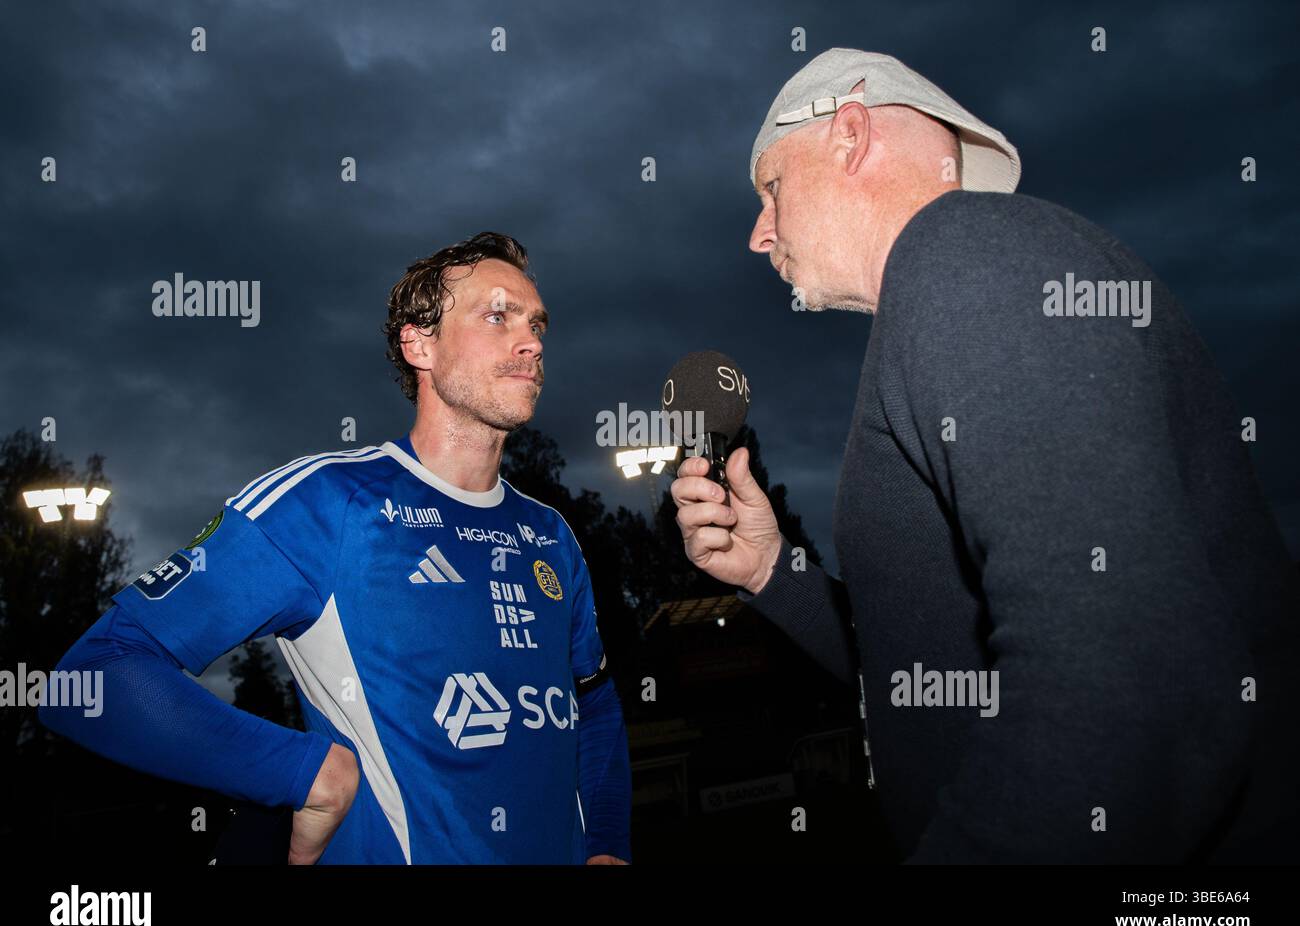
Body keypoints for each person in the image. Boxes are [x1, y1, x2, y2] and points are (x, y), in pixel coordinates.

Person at [672, 48, 1298, 862]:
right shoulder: (946, 292)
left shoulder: (964, 258)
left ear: (849, 135)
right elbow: (926, 663)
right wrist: (770, 572)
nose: (760, 234)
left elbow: (1141, 688)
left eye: (771, 189)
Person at [40, 232, 631, 865]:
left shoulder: (550, 535)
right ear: (420, 342)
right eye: (497, 315)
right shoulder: (327, 503)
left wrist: (606, 846)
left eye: (537, 323)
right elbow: (95, 673)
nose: (533, 342)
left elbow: (592, 703)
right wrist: (304, 771)